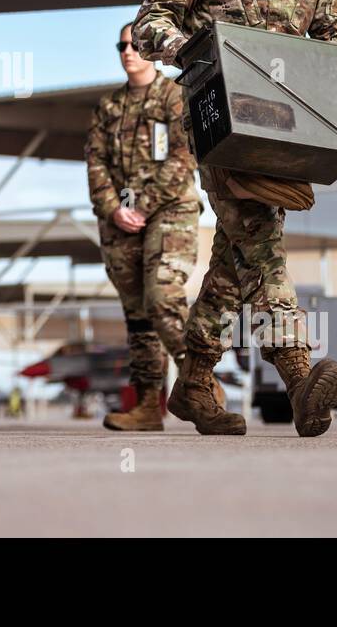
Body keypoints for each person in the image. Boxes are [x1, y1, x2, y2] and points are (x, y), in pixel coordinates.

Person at [132, 0, 337, 437]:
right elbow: (149, 22)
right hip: (218, 121)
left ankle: (196, 384)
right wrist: (197, 54)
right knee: (258, 240)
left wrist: (333, 90)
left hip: (287, 129)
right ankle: (299, 374)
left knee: (233, 259)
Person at [85, 22, 204, 430]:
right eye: (120, 45)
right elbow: (96, 164)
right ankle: (148, 406)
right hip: (120, 221)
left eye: (135, 44)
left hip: (170, 212)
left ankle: (201, 383)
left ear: (150, 49)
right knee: (137, 316)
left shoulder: (176, 97)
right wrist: (116, 209)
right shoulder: (109, 107)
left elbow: (183, 157)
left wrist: (143, 206)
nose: (127, 51)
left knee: (162, 296)